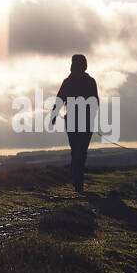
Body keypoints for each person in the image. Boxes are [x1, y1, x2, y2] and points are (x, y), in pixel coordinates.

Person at [49, 54, 99, 193]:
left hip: (74, 120)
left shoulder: (68, 81)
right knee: (80, 151)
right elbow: (95, 102)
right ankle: (78, 178)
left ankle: (77, 177)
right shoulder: (89, 81)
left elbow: (59, 100)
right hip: (83, 121)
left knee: (77, 150)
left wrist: (53, 116)